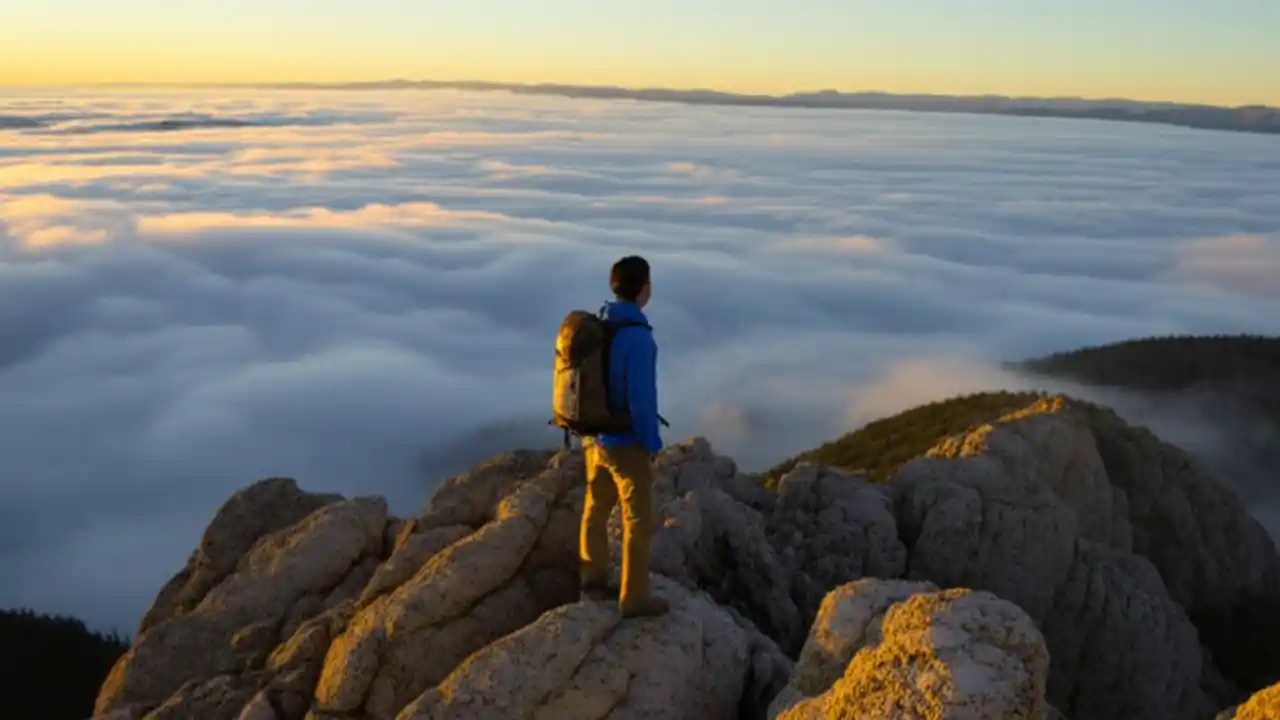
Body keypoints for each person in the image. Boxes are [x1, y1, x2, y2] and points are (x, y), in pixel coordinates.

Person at [578, 255, 669, 618]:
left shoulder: (601, 326)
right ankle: (634, 598)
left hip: (594, 437)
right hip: (625, 442)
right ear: (644, 289)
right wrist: (652, 445)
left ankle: (592, 580)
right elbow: (642, 403)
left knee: (596, 508)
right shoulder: (638, 339)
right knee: (638, 521)